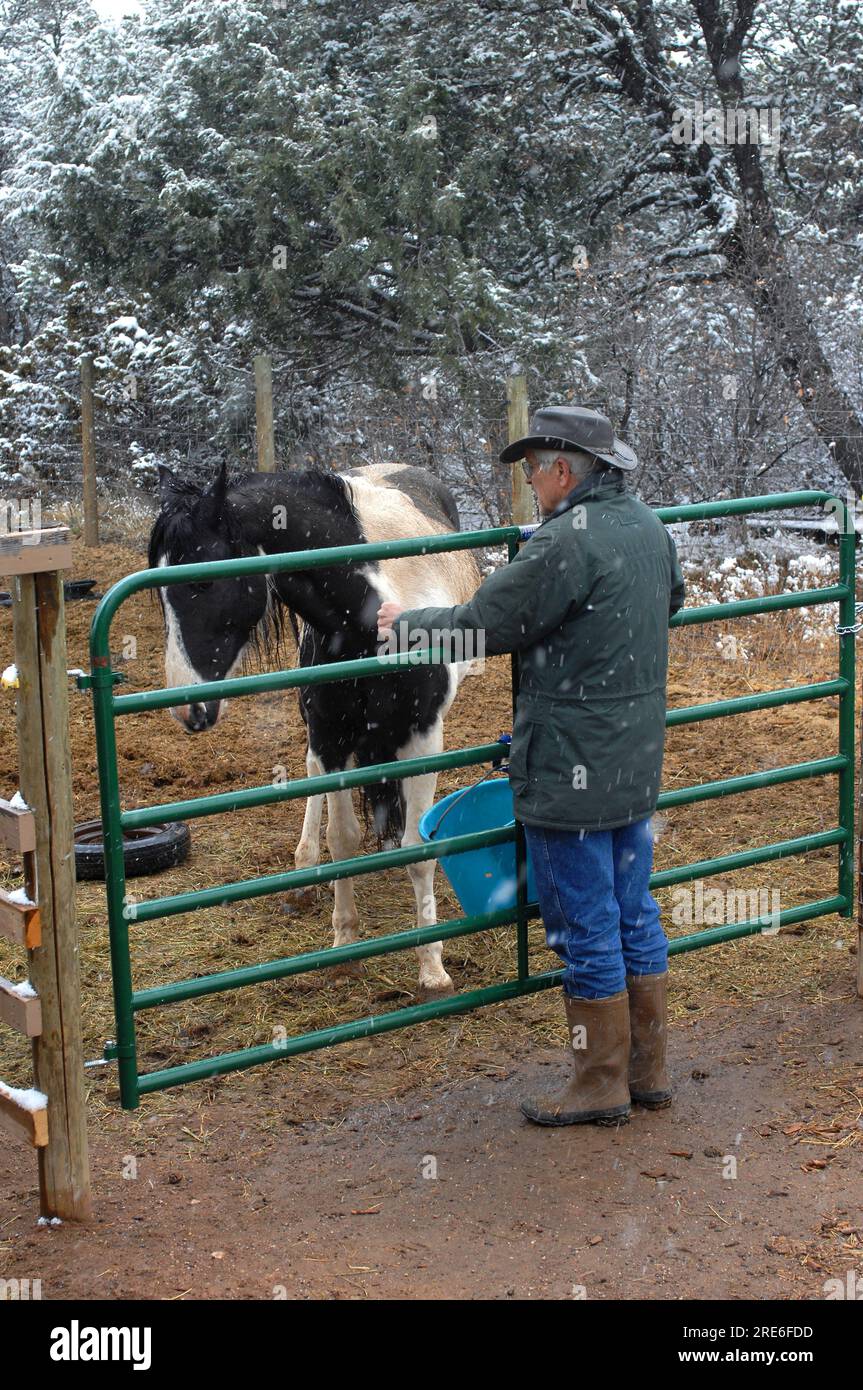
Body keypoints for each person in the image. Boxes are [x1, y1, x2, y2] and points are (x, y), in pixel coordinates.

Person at [377, 405, 686, 1127]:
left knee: (583, 919)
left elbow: (485, 625)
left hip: (567, 762)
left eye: (531, 469)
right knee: (631, 906)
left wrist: (404, 626)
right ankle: (647, 1071)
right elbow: (668, 599)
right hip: (634, 757)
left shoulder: (560, 546)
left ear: (561, 470)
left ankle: (598, 1083)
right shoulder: (644, 525)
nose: (527, 482)